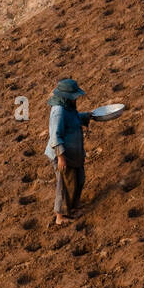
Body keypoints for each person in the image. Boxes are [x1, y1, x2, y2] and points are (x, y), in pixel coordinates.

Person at [44, 78, 93, 226]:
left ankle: (73, 207)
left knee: (79, 179)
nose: (76, 99)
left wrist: (86, 116)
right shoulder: (58, 112)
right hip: (63, 155)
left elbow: (74, 118)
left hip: (73, 153)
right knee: (64, 184)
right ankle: (60, 216)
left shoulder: (68, 107)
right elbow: (55, 137)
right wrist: (61, 157)